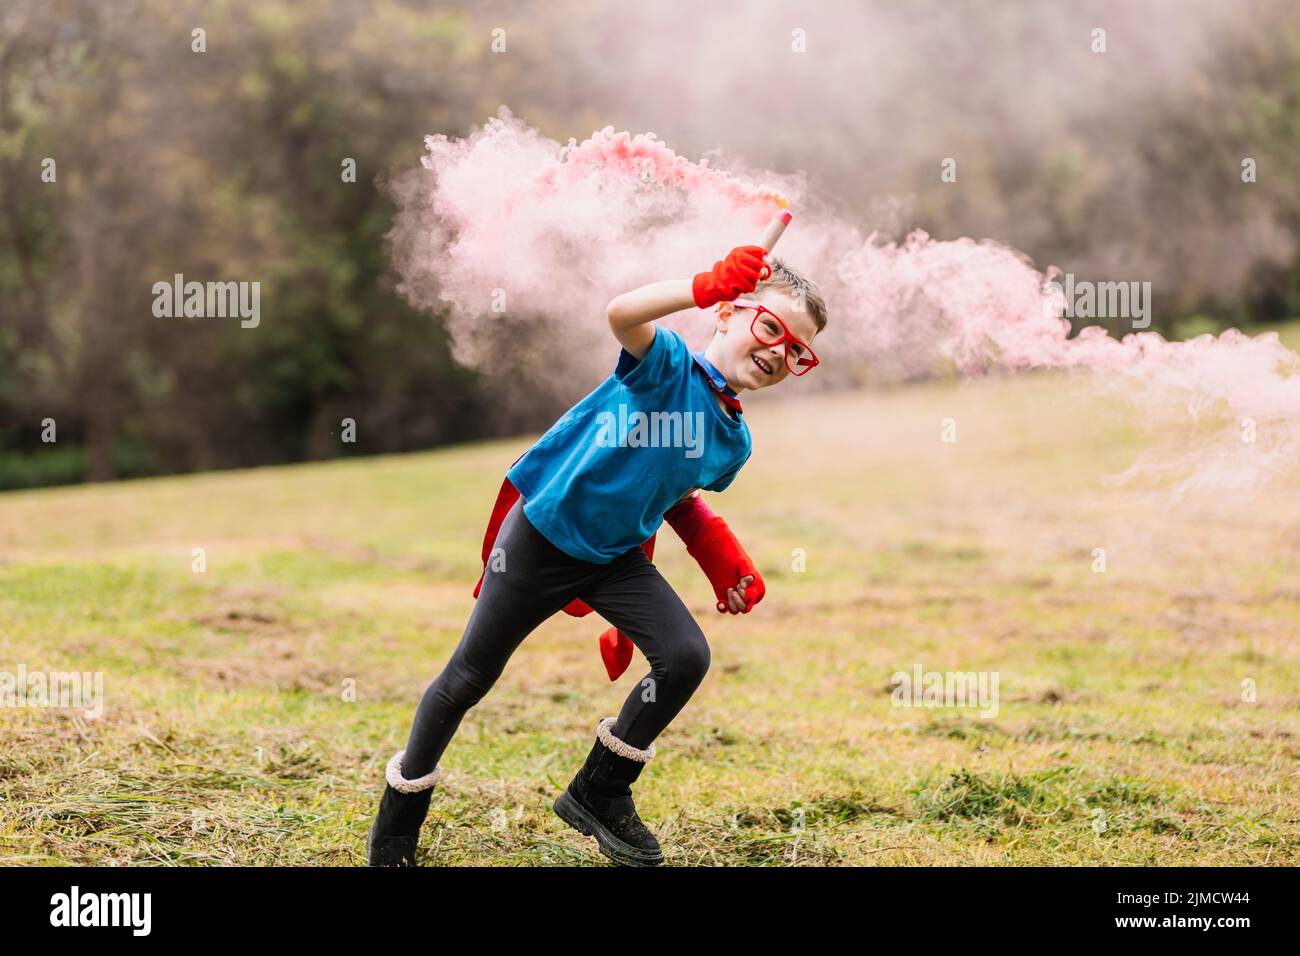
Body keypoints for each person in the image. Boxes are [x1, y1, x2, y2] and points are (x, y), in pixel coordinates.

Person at [366, 244, 828, 866]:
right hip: (539, 543)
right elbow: (622, 313)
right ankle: (394, 832)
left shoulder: (734, 440)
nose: (779, 351)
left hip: (613, 559)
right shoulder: (666, 367)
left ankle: (599, 793)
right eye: (771, 327)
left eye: (797, 351)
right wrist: (703, 281)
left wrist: (722, 557)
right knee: (468, 679)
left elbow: (676, 496)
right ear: (726, 314)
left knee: (687, 656)